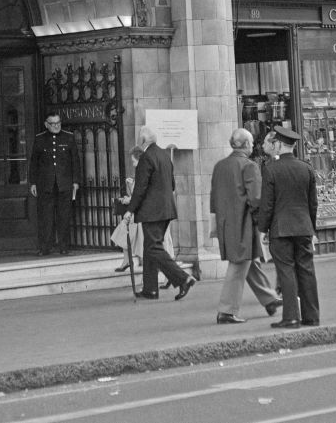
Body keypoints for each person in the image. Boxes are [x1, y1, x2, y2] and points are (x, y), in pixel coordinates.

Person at [210, 127, 283, 325]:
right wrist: (264, 224)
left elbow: (213, 197)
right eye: (251, 142)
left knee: (250, 262)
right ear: (245, 145)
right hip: (243, 222)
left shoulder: (220, 166)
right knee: (240, 263)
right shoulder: (249, 166)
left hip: (225, 222)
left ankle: (270, 299)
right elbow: (256, 198)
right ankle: (226, 311)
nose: (253, 145)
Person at [120, 125, 197, 301]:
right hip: (166, 208)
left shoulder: (146, 157)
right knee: (150, 248)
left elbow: (140, 188)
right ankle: (150, 289)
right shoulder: (163, 155)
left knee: (153, 248)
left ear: (142, 140)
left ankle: (183, 278)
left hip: (152, 211)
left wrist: (130, 210)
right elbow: (172, 184)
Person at [259, 125, 319, 329]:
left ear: (278, 145)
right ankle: (312, 316)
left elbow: (267, 205)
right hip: (304, 227)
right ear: (292, 146)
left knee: (286, 271)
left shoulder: (271, 169)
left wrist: (262, 229)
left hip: (281, 228)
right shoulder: (306, 168)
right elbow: (313, 204)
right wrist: (312, 229)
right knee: (307, 270)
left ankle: (291, 317)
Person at [112, 145, 177, 283]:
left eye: (134, 161)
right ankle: (152, 285)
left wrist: (129, 207)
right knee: (153, 247)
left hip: (149, 215)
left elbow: (141, 193)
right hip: (157, 213)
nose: (133, 164)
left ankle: (176, 276)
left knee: (155, 248)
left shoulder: (145, 170)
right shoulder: (162, 161)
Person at [29, 113, 81, 256]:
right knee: (46, 217)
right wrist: (32, 182)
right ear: (46, 124)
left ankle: (64, 246)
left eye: (58, 123)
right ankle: (45, 247)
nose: (56, 126)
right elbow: (34, 162)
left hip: (64, 184)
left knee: (64, 216)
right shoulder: (39, 139)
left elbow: (75, 161)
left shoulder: (68, 137)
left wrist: (76, 181)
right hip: (45, 184)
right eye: (53, 124)